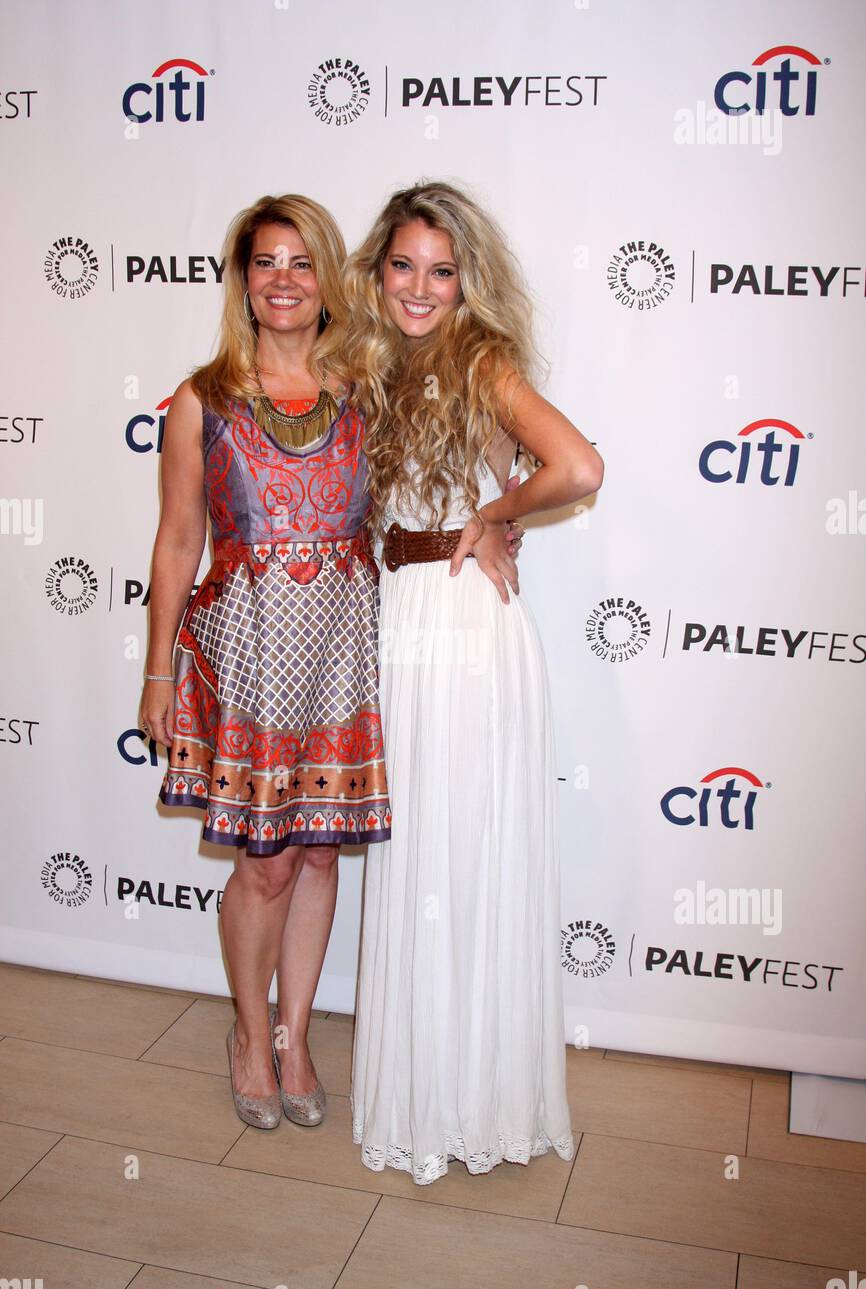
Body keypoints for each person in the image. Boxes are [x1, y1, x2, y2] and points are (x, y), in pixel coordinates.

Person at [343, 180, 605, 1183]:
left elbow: (576, 467)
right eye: (402, 265)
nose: (418, 287)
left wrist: (495, 515)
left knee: (458, 856)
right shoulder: (371, 368)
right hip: (406, 619)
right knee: (432, 864)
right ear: (378, 273)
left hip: (459, 628)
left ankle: (465, 1104)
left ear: (467, 283)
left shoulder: (480, 364)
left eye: (440, 271)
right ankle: (441, 1096)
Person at [140, 194, 391, 1130]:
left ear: (328, 281)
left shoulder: (368, 389)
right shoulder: (202, 399)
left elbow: (445, 477)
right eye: (265, 263)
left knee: (321, 853)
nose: (282, 280)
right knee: (268, 866)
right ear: (242, 279)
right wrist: (158, 672)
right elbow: (175, 543)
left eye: (302, 263)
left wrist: (494, 528)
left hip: (342, 648)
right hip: (245, 652)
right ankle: (249, 1036)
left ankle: (296, 1037)